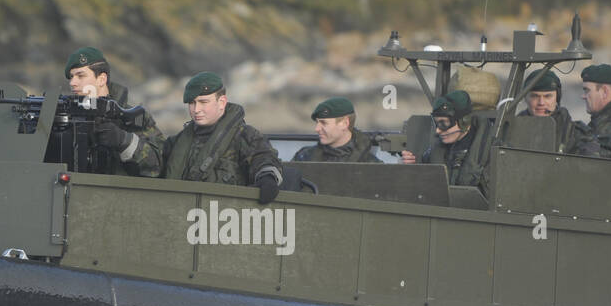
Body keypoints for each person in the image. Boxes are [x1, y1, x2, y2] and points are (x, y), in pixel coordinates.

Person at [162, 71, 283, 203]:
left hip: (225, 215)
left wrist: (267, 178)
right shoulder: (178, 141)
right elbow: (155, 165)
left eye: (203, 102)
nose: (196, 110)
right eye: (192, 103)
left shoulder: (245, 136)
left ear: (221, 102)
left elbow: (263, 158)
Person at [64, 46, 165, 177]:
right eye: (71, 77)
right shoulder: (67, 116)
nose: (72, 82)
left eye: (80, 76)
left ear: (101, 79)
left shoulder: (132, 117)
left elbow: (157, 167)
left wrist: (124, 140)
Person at [400, 90, 494, 188]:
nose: (438, 131)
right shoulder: (434, 153)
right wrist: (410, 168)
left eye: (444, 123)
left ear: (464, 121)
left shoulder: (493, 155)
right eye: (436, 124)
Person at [517, 69, 601, 156]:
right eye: (535, 96)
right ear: (525, 98)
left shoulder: (578, 135)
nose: (541, 103)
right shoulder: (511, 129)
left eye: (547, 96)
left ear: (557, 98)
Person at [293, 97, 382, 163]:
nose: (317, 129)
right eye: (317, 123)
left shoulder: (371, 164)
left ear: (344, 123)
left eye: (324, 123)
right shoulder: (304, 157)